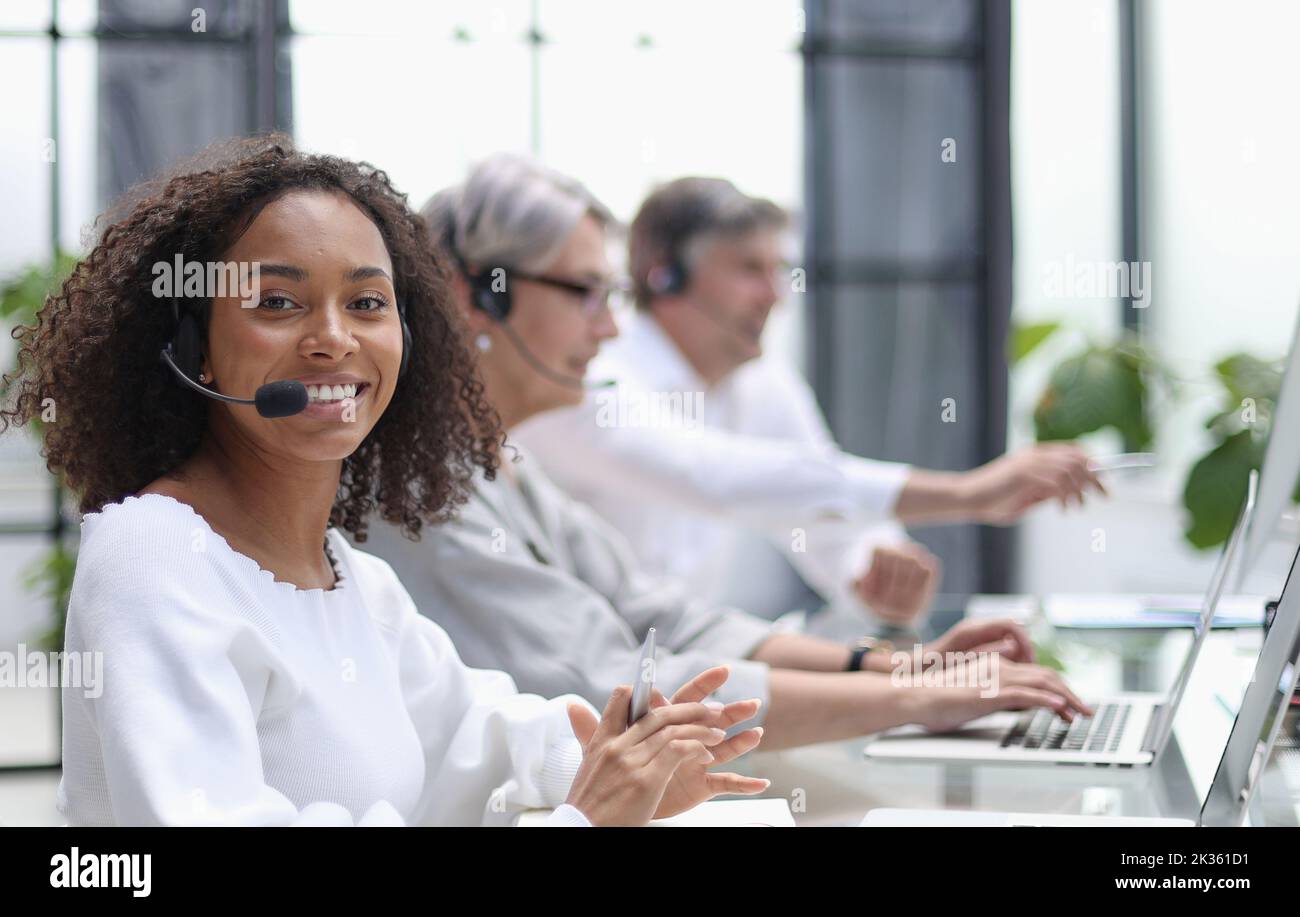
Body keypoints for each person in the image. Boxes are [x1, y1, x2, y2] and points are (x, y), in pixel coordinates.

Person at [0, 136, 767, 827]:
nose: (334, 338)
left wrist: (617, 757)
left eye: (367, 302)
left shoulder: (349, 579)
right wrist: (588, 816)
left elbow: (473, 737)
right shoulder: (155, 558)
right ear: (195, 346)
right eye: (277, 302)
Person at [360, 154, 1092, 752]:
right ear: (471, 298)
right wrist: (912, 691)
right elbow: (613, 678)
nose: (608, 329)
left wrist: (903, 665)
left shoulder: (495, 458)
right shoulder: (423, 484)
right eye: (585, 292)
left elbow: (671, 620)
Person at [513, 176, 1106, 631]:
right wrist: (968, 493)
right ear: (663, 277)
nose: (775, 295)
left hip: (682, 678)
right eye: (749, 269)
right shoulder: (588, 378)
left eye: (780, 269)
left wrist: (879, 568)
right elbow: (714, 475)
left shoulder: (761, 383)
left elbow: (822, 508)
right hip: (571, 692)